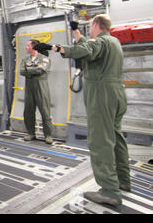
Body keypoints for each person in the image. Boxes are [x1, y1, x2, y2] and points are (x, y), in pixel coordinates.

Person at [48, 15, 130, 207]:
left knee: (100, 140)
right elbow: (91, 46)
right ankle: (123, 180)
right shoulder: (114, 41)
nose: (88, 30)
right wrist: (76, 31)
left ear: (95, 25)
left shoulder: (98, 42)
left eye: (89, 26)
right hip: (117, 93)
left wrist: (56, 48)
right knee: (116, 136)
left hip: (102, 94)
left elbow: (86, 49)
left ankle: (109, 191)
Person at [20, 39, 54, 144]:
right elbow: (21, 71)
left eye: (27, 45)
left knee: (45, 112)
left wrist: (28, 69)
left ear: (33, 47)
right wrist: (34, 68)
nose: (26, 47)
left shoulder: (44, 58)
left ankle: (48, 135)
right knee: (28, 112)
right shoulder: (25, 59)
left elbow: (41, 70)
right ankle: (31, 133)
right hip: (29, 88)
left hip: (41, 87)